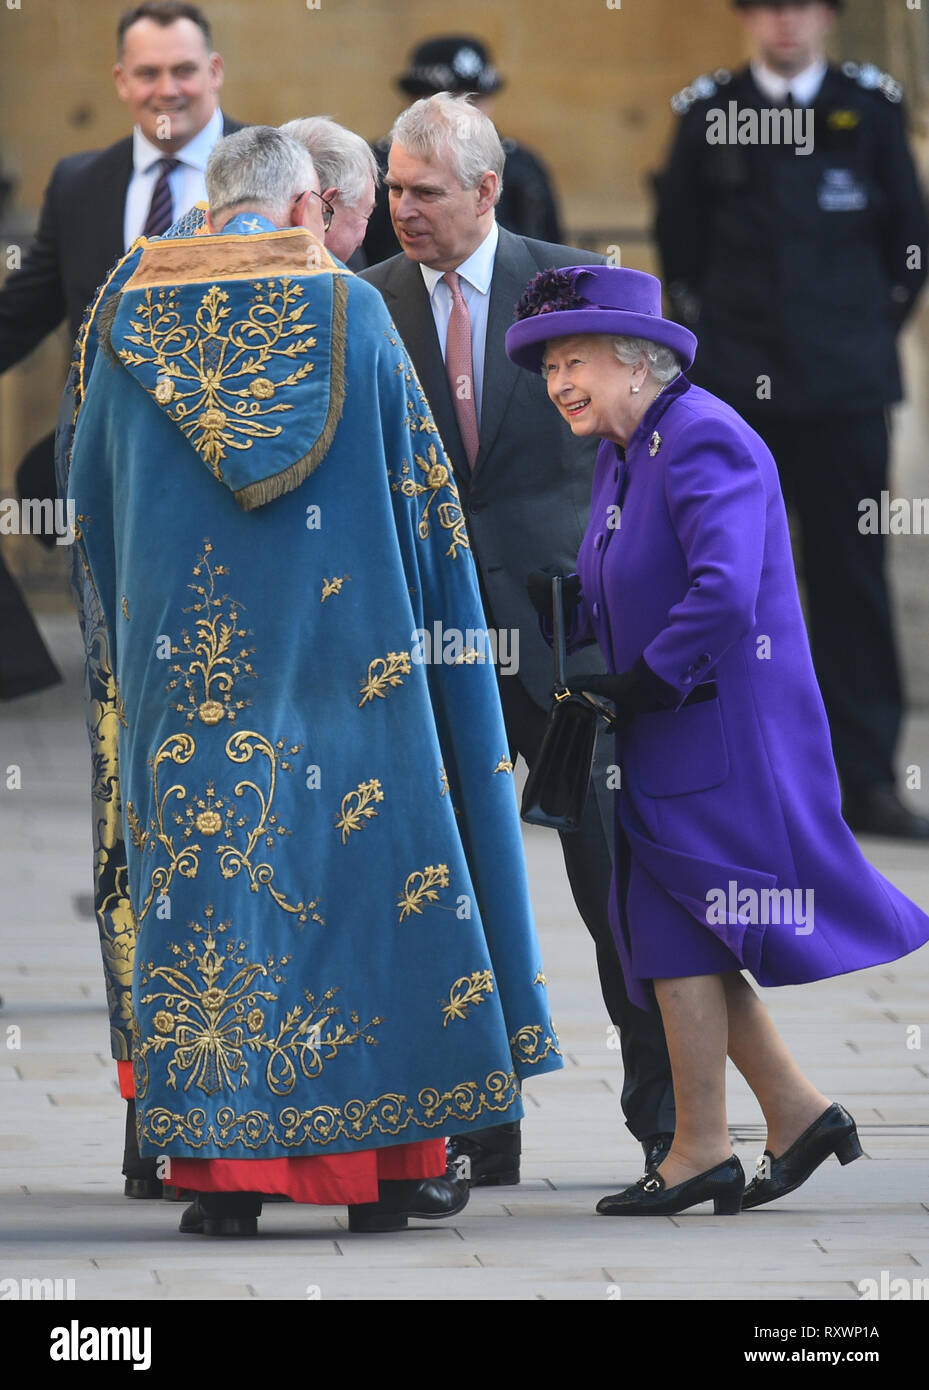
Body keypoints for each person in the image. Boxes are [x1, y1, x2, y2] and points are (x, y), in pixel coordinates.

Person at [64, 124, 562, 1237]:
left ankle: (224, 1189)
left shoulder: (126, 312)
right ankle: (383, 1176)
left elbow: (85, 493)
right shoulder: (350, 313)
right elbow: (425, 501)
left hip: (187, 688)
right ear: (303, 211)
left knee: (215, 904)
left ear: (210, 206)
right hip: (355, 680)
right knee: (363, 905)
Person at [507, 263, 929, 1216]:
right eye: (547, 368)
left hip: (720, 731)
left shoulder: (703, 439)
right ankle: (790, 1115)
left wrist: (644, 679)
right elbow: (640, 566)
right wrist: (576, 610)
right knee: (669, 930)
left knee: (673, 930)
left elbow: (724, 591)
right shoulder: (626, 447)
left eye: (572, 361)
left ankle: (704, 1147)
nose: (557, 383)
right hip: (669, 729)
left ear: (633, 362)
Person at [361, 94, 676, 1185]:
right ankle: (474, 1125)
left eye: (422, 192)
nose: (400, 209)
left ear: (485, 190)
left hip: (566, 638)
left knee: (616, 881)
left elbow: (654, 440)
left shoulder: (573, 284)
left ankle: (668, 1129)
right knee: (448, 885)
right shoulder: (367, 302)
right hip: (430, 642)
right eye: (391, 189)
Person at [3, 0, 241, 1201]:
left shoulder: (266, 173)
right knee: (130, 809)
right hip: (112, 536)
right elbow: (28, 308)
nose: (164, 90)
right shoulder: (84, 180)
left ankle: (241, 1097)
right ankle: (157, 1107)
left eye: (182, 70)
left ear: (216, 74)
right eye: (144, 72)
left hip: (243, 542)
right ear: (120, 77)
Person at [654, 0, 929, 840]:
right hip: (740, 392)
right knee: (734, 581)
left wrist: (858, 338)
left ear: (826, 17)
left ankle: (866, 780)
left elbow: (907, 249)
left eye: (800, 6)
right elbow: (682, 249)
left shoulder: (871, 108)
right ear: (745, 18)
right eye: (767, 7)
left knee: (850, 579)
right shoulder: (706, 115)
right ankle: (742, 780)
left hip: (844, 389)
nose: (784, 23)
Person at [361, 35, 562, 267]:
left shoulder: (522, 166)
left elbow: (546, 252)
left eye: (474, 100)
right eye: (448, 99)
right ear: (413, 102)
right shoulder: (374, 165)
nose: (460, 113)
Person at [280, 117, 377, 265]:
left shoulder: (237, 253)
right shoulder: (349, 282)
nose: (361, 241)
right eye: (366, 215)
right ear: (324, 208)